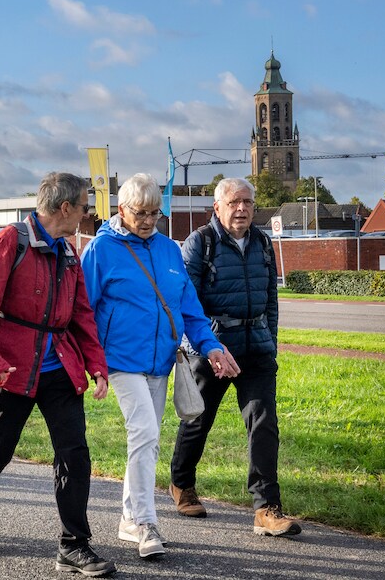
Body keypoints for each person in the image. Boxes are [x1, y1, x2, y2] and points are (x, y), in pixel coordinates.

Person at [0, 172, 116, 578]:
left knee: (74, 453)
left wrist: (96, 364)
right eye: (84, 206)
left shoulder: (70, 252)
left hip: (59, 366)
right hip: (13, 367)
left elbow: (81, 314)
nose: (87, 213)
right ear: (65, 208)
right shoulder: (10, 241)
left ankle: (74, 545)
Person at [81, 173, 240, 559]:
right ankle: (146, 522)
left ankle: (127, 518)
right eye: (141, 213)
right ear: (122, 210)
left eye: (155, 213)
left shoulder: (169, 251)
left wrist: (212, 346)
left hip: (160, 363)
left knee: (147, 442)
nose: (149, 220)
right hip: (119, 362)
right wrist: (92, 363)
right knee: (146, 433)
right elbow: (82, 310)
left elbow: (189, 309)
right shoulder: (101, 251)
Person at [171, 177, 301, 537]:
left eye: (247, 202)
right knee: (198, 420)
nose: (241, 209)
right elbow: (185, 302)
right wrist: (205, 348)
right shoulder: (201, 243)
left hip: (255, 350)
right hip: (212, 348)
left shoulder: (262, 243)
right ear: (217, 207)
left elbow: (270, 300)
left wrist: (270, 343)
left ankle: (266, 508)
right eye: (233, 203)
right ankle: (182, 485)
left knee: (263, 422)